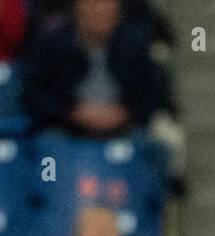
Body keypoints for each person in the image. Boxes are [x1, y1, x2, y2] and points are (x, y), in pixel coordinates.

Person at [23, 0, 169, 137]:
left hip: (126, 125)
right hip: (64, 128)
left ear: (117, 12)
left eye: (104, 5)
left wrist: (125, 113)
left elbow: (152, 91)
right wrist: (72, 112)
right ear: (78, 8)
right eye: (92, 5)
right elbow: (36, 91)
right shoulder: (52, 44)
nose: (98, 10)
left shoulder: (134, 45)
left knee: (164, 137)